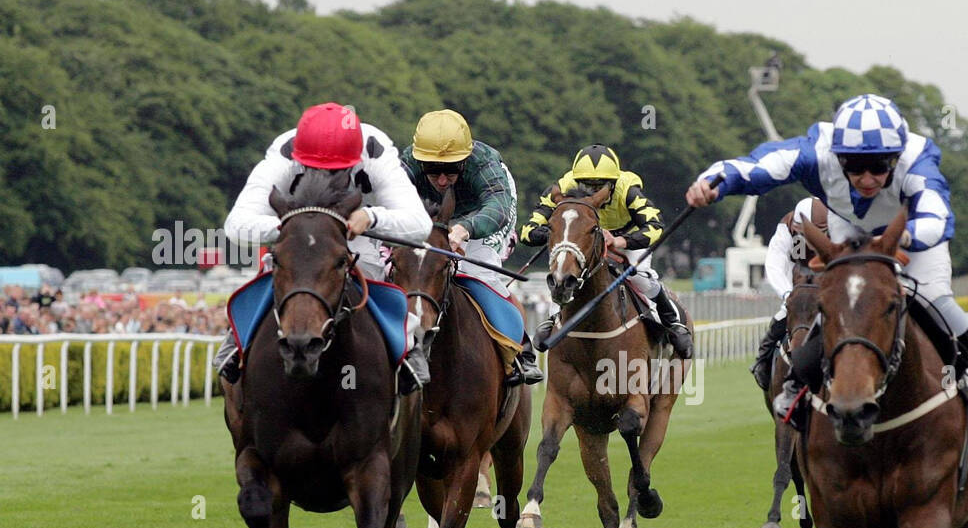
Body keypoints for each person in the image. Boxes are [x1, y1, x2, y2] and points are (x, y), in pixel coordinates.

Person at [685, 93, 968, 434]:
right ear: (837, 157)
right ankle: (798, 382)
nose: (867, 178)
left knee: (935, 299)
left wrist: (901, 238)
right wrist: (712, 183)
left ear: (896, 157)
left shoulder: (918, 159)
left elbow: (937, 216)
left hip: (910, 234)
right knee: (839, 301)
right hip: (851, 228)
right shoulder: (815, 152)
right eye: (854, 166)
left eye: (880, 166)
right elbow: (759, 165)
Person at [218, 102, 433, 392]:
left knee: (369, 269)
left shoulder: (375, 149)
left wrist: (371, 217)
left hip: (355, 234)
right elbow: (236, 224)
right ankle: (237, 339)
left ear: (355, 158)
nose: (326, 177)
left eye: (336, 170)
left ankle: (407, 345)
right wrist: (291, 228)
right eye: (315, 168)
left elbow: (420, 224)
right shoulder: (284, 151)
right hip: (298, 236)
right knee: (275, 266)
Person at [399, 109, 543, 386]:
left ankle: (520, 348)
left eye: (451, 170)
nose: (442, 180)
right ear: (420, 161)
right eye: (432, 170)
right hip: (430, 217)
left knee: (476, 270)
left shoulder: (484, 162)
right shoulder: (407, 163)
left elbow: (497, 207)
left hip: (482, 218)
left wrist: (465, 229)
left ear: (464, 161)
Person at [520, 144, 692, 359]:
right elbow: (527, 232)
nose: (592, 192)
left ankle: (672, 321)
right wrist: (563, 233)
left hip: (626, 239)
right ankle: (553, 318)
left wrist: (620, 241)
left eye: (599, 185)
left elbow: (656, 227)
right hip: (582, 241)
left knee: (639, 277)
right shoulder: (562, 188)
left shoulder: (628, 189)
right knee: (564, 273)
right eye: (585, 185)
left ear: (613, 182)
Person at [750, 197, 831, 390]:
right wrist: (788, 295)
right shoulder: (786, 227)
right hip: (799, 283)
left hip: (829, 281)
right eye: (803, 233)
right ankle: (763, 360)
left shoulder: (839, 225)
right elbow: (775, 263)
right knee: (782, 316)